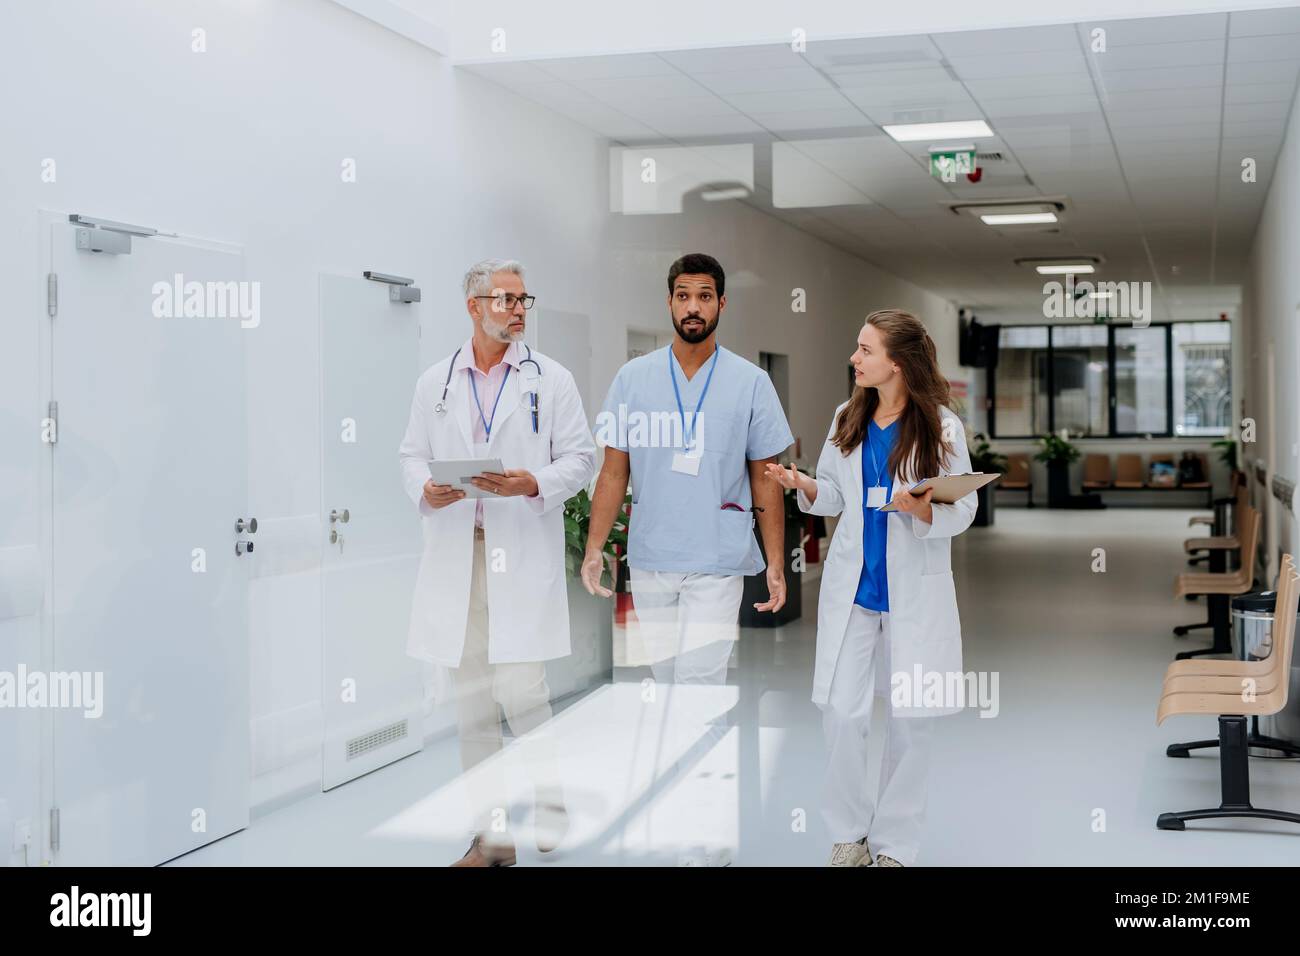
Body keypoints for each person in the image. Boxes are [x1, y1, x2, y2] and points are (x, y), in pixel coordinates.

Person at [581, 252, 793, 866]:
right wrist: (596, 547)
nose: (693, 307)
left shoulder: (750, 382)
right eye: (682, 296)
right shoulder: (634, 379)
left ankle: (702, 833)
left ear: (722, 305)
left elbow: (766, 479)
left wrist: (775, 563)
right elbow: (613, 470)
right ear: (669, 304)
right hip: (651, 554)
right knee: (665, 685)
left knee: (699, 688)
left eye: (705, 296)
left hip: (717, 557)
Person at [398, 258, 596, 867]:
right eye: (505, 299)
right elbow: (411, 454)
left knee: (522, 689)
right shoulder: (436, 381)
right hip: (460, 555)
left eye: (522, 299)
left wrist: (532, 483)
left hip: (519, 551)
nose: (517, 309)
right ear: (473, 306)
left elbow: (581, 458)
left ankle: (549, 800)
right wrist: (423, 491)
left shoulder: (550, 379)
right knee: (473, 701)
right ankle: (491, 839)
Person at [766, 309, 976, 868]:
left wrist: (923, 508)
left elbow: (965, 507)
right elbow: (835, 495)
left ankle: (896, 847)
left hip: (915, 596)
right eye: (856, 349)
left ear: (898, 363)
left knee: (911, 722)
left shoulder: (941, 426)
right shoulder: (847, 416)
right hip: (856, 592)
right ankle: (849, 836)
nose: (854, 359)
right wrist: (806, 485)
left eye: (865, 350)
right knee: (842, 714)